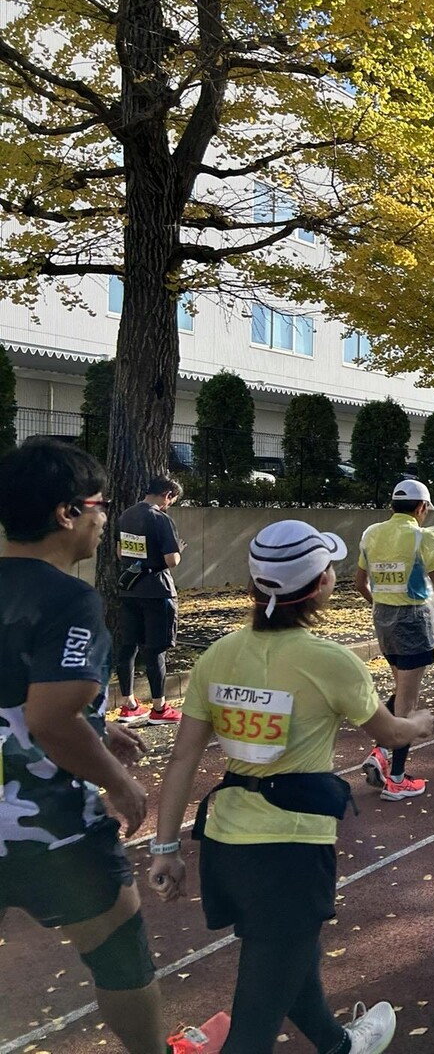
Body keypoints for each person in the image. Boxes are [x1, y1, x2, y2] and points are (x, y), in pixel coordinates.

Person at [150, 520, 434, 1054]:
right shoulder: (332, 661)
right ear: (322, 583)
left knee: (287, 956)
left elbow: (183, 756)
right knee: (255, 1022)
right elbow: (390, 733)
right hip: (291, 849)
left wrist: (165, 847)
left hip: (227, 846)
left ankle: (340, 1045)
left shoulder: (217, 656)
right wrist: (419, 722)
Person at [0, 438, 167, 1054]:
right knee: (120, 954)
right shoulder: (69, 599)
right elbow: (50, 717)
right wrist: (119, 782)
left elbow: (22, 697)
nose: (104, 520)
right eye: (99, 506)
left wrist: (95, 724)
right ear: (67, 513)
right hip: (50, 828)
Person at [355, 479, 434, 802]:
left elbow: (360, 583)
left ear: (393, 506)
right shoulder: (423, 537)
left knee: (402, 690)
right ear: (420, 508)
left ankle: (380, 752)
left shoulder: (371, 534)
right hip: (414, 622)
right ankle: (397, 779)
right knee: (408, 703)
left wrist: (380, 605)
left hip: (384, 621)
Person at [114, 476, 186, 726]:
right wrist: (179, 550)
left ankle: (129, 704)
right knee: (156, 649)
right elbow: (171, 560)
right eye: (171, 500)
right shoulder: (160, 518)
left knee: (128, 646)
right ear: (167, 495)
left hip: (130, 588)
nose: (169, 505)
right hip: (157, 590)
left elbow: (120, 552)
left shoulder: (126, 516)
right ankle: (159, 708)